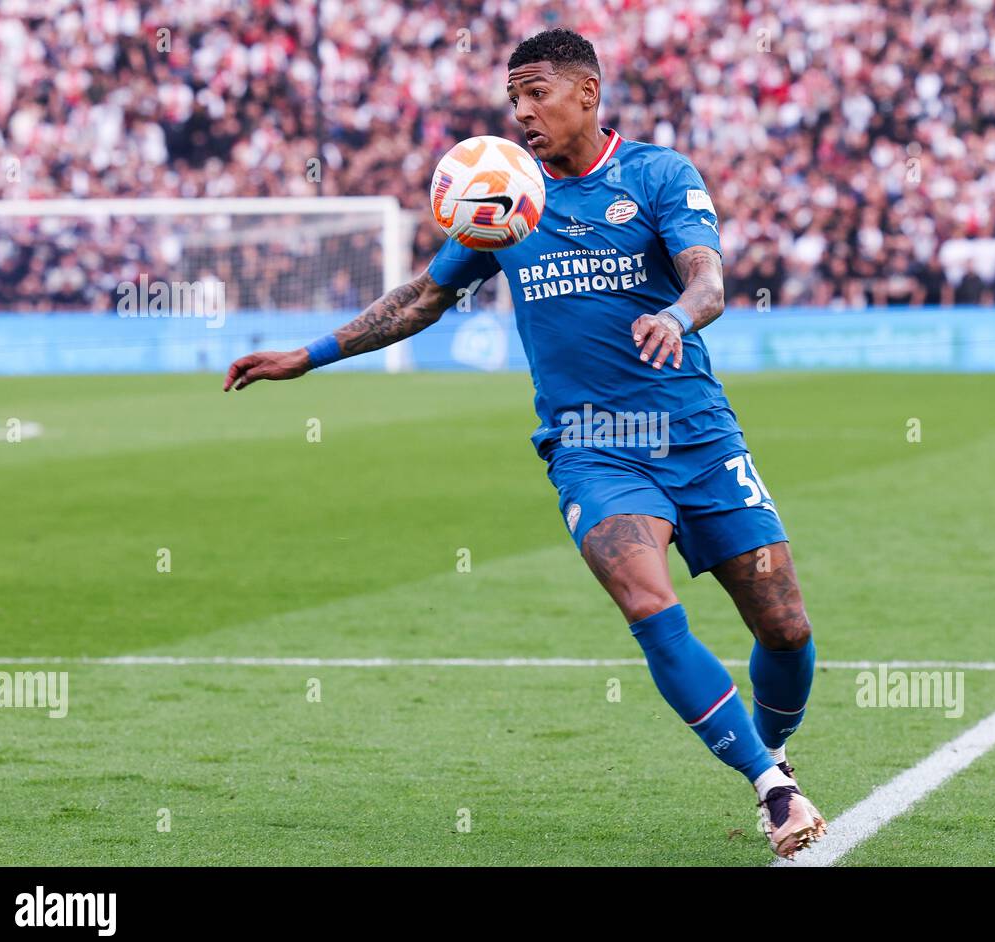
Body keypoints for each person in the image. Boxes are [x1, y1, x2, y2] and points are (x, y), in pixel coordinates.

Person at [223, 28, 826, 859]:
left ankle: (773, 746)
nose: (522, 112)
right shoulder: (505, 198)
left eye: (536, 92)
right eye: (513, 98)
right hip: (592, 447)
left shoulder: (657, 175)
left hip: (696, 436)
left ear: (588, 91)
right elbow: (423, 298)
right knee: (648, 603)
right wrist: (310, 354)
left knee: (785, 628)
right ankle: (773, 788)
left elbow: (709, 282)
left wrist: (675, 315)